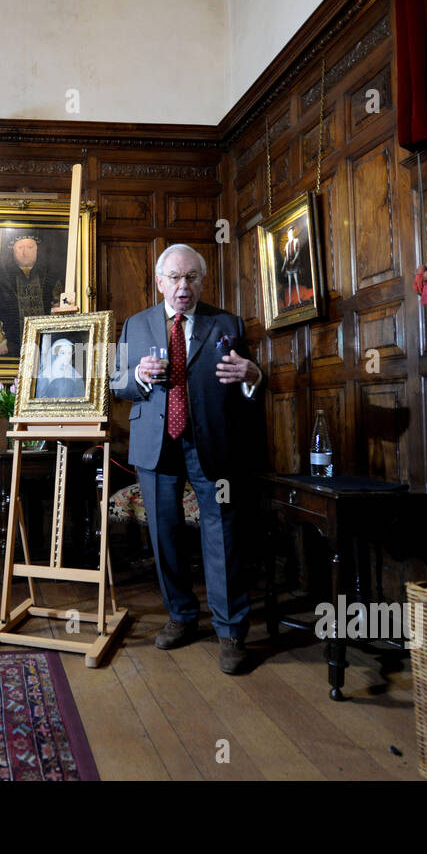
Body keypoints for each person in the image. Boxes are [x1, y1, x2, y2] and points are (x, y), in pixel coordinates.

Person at [110, 243, 264, 674]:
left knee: (223, 533)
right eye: (175, 278)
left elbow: (250, 379)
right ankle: (181, 616)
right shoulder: (135, 324)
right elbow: (116, 382)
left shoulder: (226, 323)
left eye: (191, 277)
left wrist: (254, 375)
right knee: (164, 533)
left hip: (213, 444)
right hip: (154, 445)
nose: (183, 287)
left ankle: (231, 631)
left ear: (202, 281)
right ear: (159, 282)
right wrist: (137, 375)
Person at [0, 234, 60, 357]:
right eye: (20, 248)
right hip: (12, 349)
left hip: (46, 348)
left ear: (36, 250)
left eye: (30, 247)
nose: (25, 253)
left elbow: (62, 304)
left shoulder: (50, 277)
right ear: (13, 251)